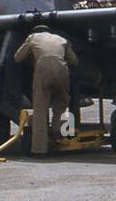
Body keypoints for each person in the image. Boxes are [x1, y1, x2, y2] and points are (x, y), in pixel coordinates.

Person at [12, 26, 78, 156]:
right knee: (61, 104)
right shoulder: (62, 40)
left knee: (40, 111)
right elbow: (74, 61)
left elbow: (17, 57)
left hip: (42, 70)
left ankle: (39, 150)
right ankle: (56, 132)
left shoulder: (33, 38)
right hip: (62, 70)